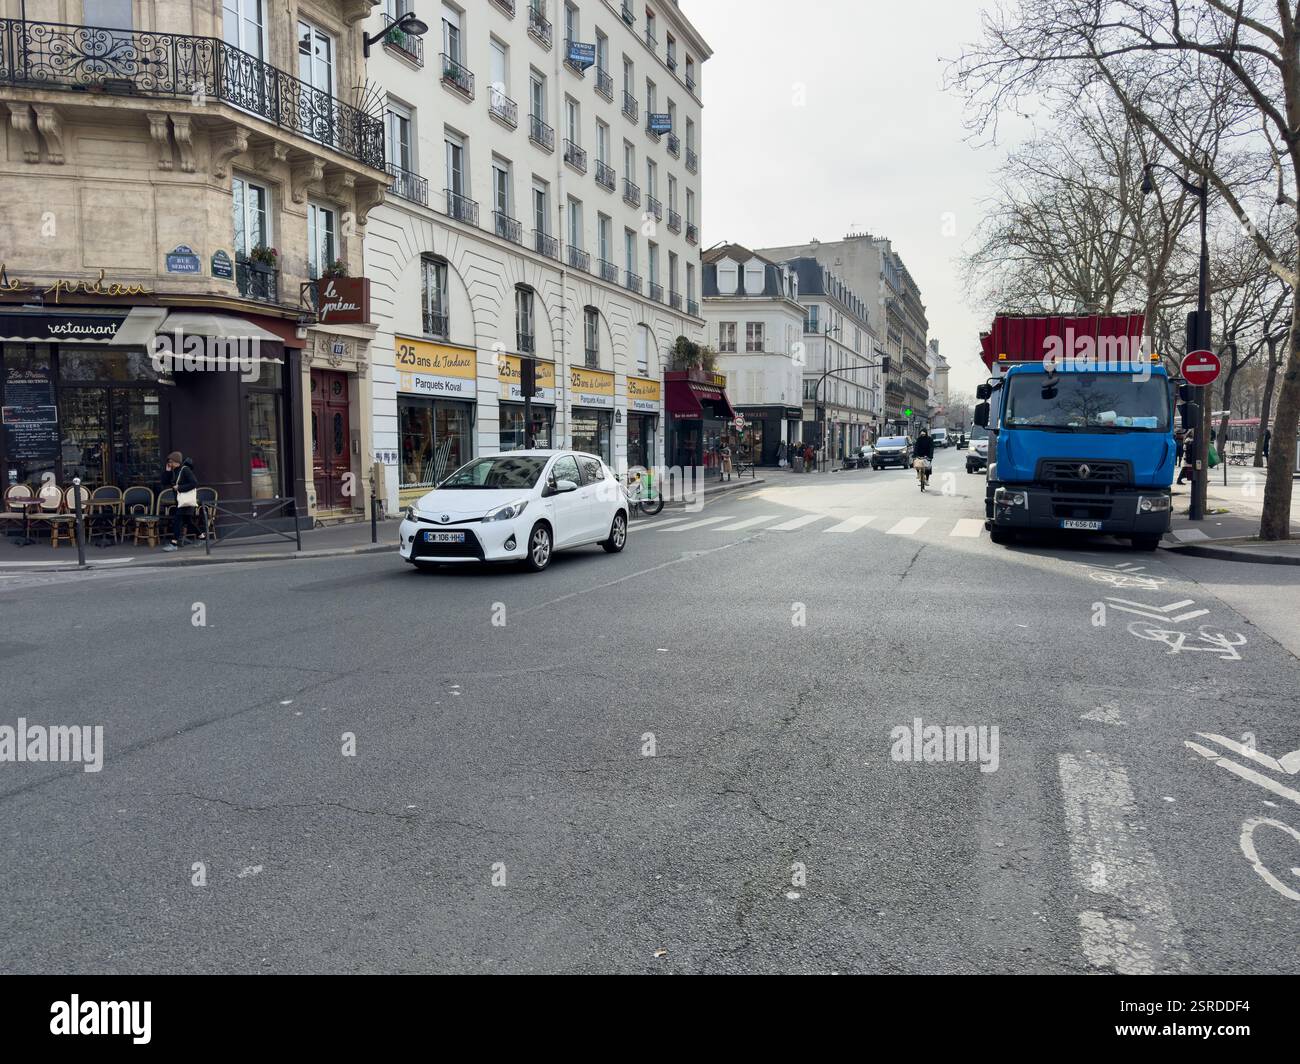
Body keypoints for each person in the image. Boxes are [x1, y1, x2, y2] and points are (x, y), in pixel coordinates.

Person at [162, 451, 201, 552]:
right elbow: (164, 482)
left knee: (177, 521)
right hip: (180, 501)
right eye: (168, 462)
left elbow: (194, 483)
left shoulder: (185, 470)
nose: (169, 463)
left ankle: (174, 543)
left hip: (186, 501)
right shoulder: (173, 471)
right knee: (188, 521)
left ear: (176, 462)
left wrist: (179, 487)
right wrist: (167, 471)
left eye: (170, 462)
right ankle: (203, 537)